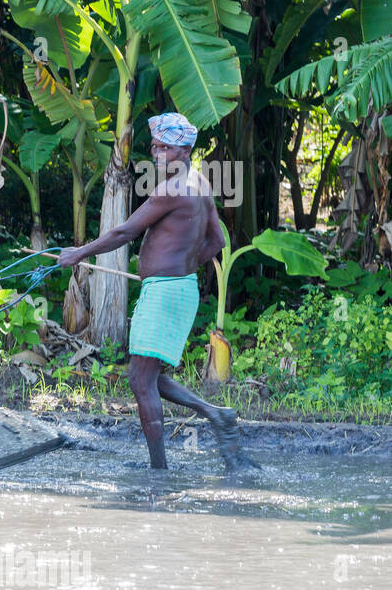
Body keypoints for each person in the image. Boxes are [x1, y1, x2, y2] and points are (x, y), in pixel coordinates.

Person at [58, 112, 255, 471]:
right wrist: (183, 266)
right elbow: (218, 239)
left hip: (165, 293)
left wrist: (79, 253)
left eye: (166, 147)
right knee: (146, 375)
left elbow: (125, 233)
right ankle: (215, 414)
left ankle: (159, 471)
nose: (157, 153)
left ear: (184, 150)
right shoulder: (199, 184)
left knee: (139, 379)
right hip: (177, 290)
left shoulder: (170, 189)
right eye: (154, 147)